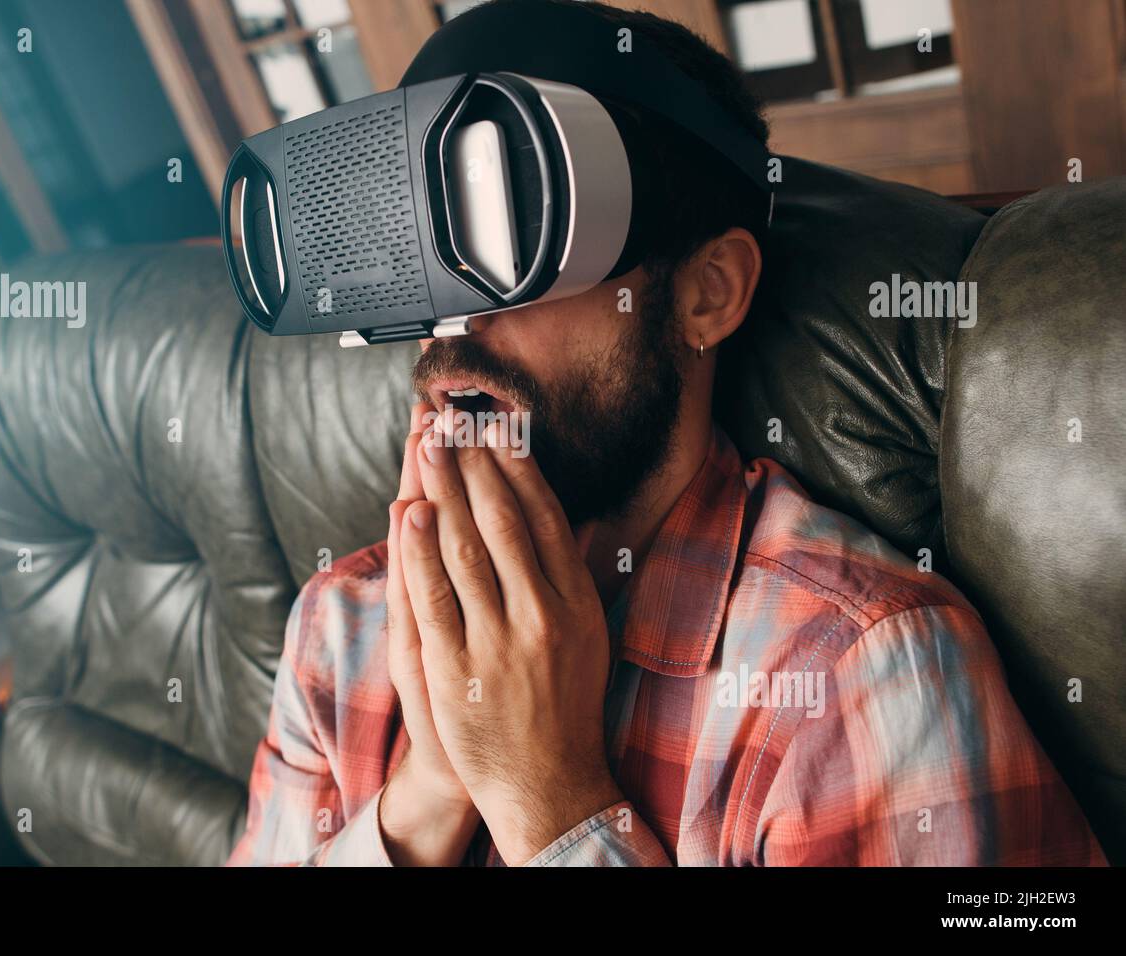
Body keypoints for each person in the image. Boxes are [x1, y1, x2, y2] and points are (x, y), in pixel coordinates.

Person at [228, 0, 1104, 866]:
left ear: (706, 293)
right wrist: (427, 794)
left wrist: (549, 800)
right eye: (418, 266)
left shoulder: (858, 675)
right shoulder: (340, 622)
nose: (449, 330)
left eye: (501, 232)